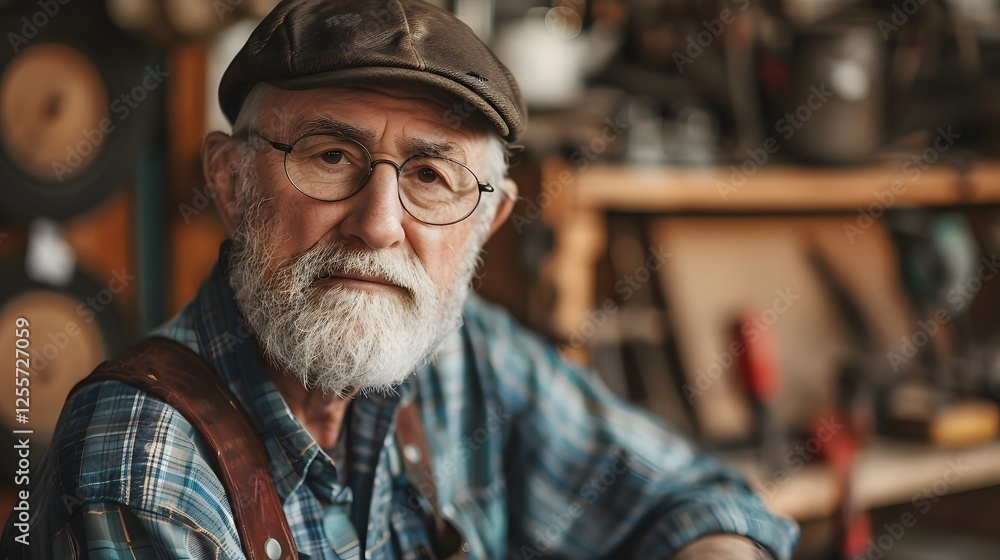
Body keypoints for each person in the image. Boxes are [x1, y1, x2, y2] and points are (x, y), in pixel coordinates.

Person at [2, 0, 798, 558]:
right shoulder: (146, 458)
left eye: (430, 174)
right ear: (232, 181)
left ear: (488, 219)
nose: (379, 223)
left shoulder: (463, 353)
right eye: (330, 156)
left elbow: (690, 495)